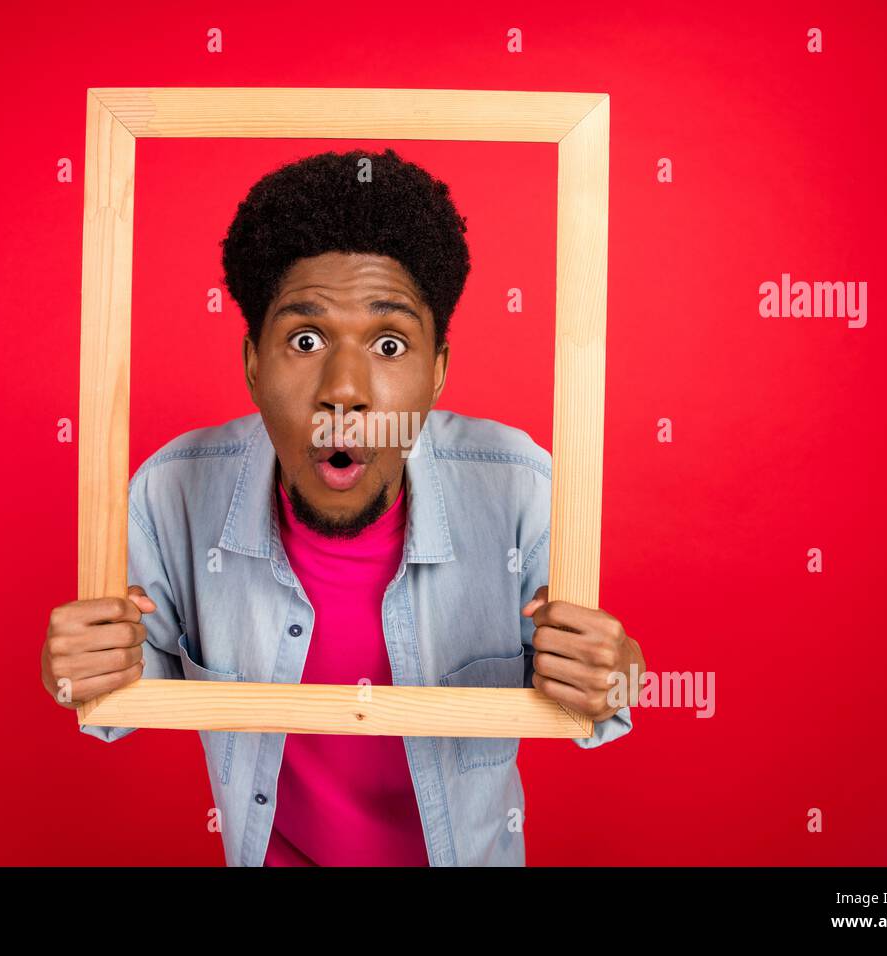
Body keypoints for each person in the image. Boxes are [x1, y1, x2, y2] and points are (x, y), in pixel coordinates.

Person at [40, 147, 645, 866]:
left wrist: (617, 677)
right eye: (305, 338)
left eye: (389, 343)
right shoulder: (172, 492)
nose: (345, 389)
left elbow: (604, 693)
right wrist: (79, 671)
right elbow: (122, 684)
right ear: (254, 365)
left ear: (438, 371)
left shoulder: (520, 485)